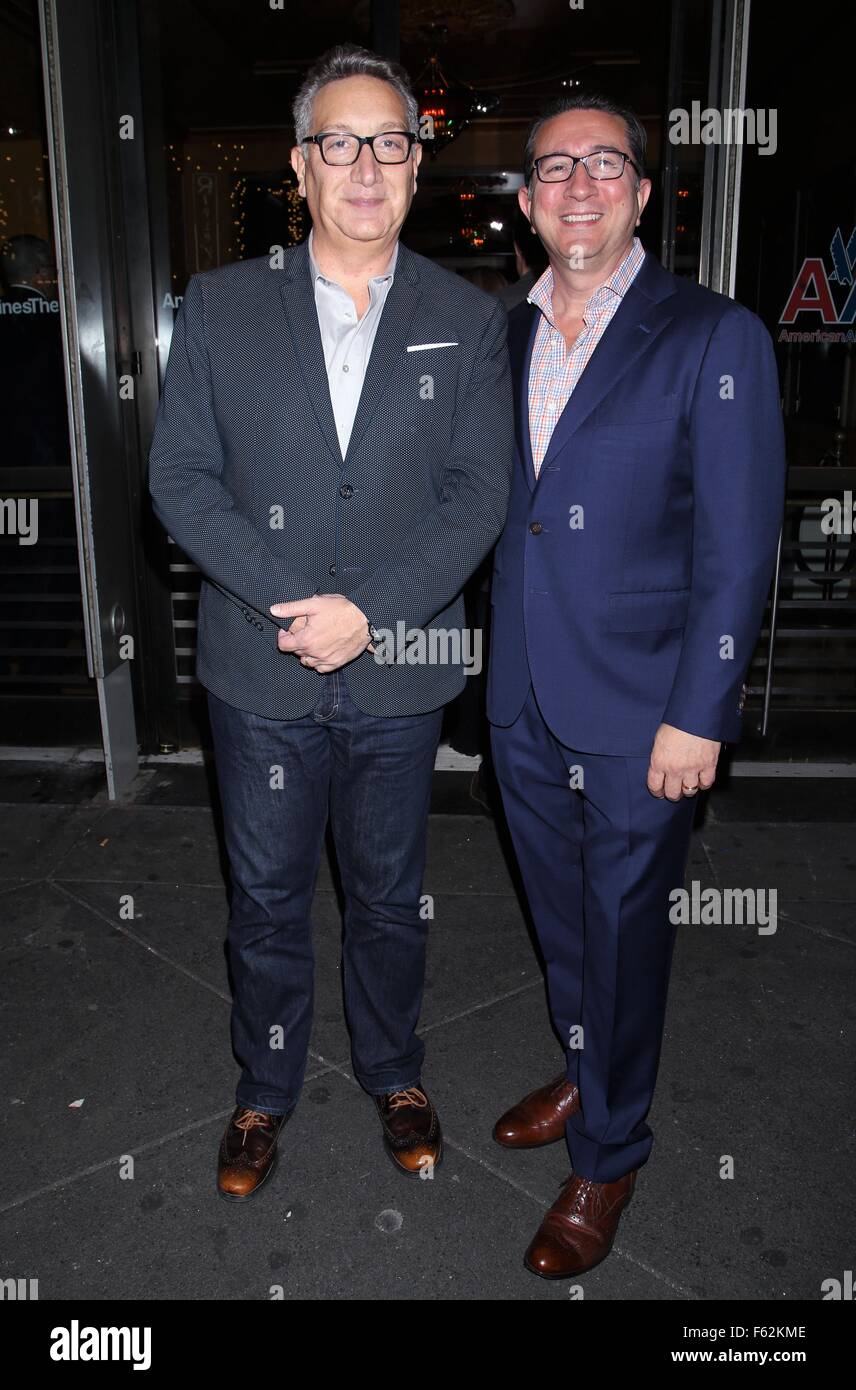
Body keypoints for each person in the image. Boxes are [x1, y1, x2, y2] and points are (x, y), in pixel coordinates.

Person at [148, 43, 513, 1201]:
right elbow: (182, 481)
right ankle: (262, 1090)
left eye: (390, 141)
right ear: (300, 169)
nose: (366, 165)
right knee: (262, 897)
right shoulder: (219, 305)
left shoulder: (470, 317)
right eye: (339, 142)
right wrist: (293, 603)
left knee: (389, 895)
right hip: (260, 668)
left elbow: (480, 494)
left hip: (400, 671)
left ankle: (394, 1072)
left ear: (415, 163)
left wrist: (372, 614)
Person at [486, 91, 786, 1278]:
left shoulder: (714, 337)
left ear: (643, 194)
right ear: (524, 201)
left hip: (642, 714)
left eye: (604, 163)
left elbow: (736, 545)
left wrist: (695, 714)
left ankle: (610, 1151)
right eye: (553, 168)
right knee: (560, 922)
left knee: (620, 930)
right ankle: (584, 1062)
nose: (577, 184)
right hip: (519, 696)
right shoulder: (497, 336)